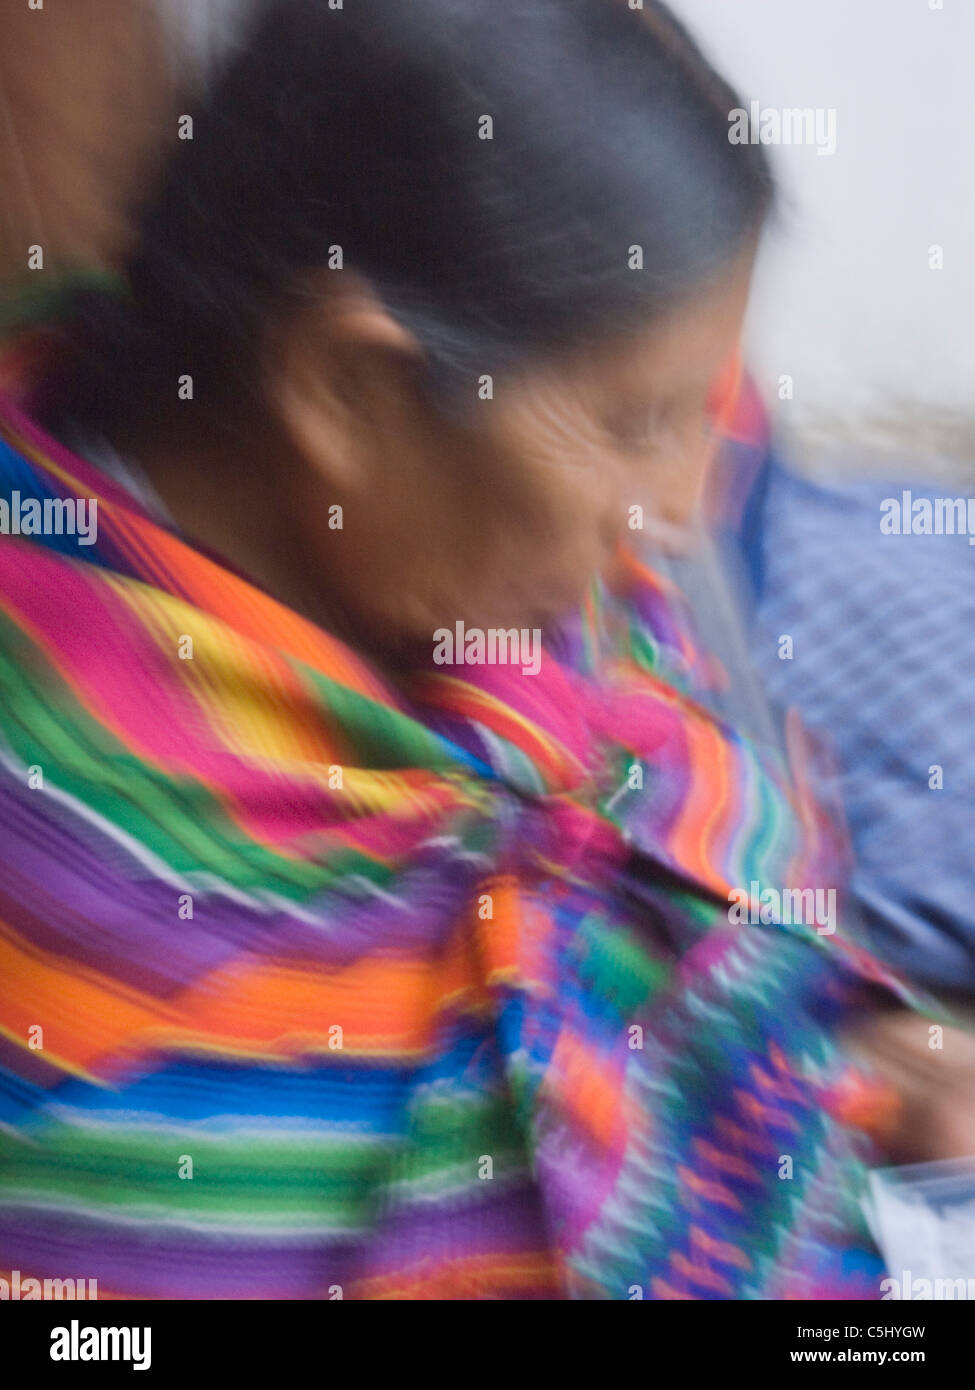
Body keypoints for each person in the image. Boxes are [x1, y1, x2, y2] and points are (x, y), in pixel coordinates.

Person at [0, 0, 945, 1300]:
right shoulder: (78, 869)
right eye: (642, 421)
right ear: (351, 389)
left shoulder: (485, 561)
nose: (684, 504)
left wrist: (837, 1052)